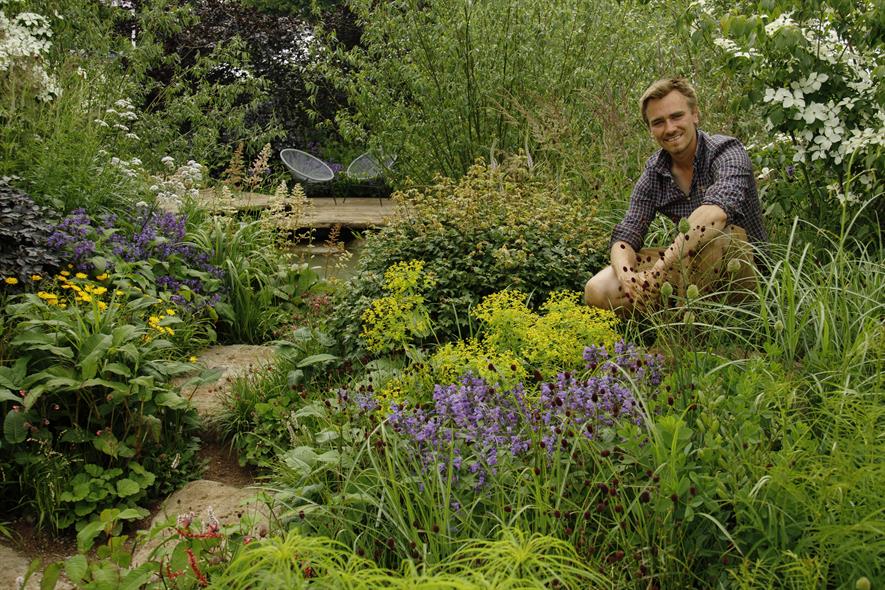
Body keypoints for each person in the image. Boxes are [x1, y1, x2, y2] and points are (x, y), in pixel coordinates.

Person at [584, 77, 767, 314]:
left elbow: (715, 214)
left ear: (695, 115)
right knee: (599, 288)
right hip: (689, 267)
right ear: (650, 129)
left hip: (744, 272)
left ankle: (686, 341)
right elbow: (626, 235)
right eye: (658, 122)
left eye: (676, 116)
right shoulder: (655, 172)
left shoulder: (727, 152)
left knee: (713, 236)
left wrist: (660, 269)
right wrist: (628, 277)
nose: (669, 128)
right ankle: (656, 329)